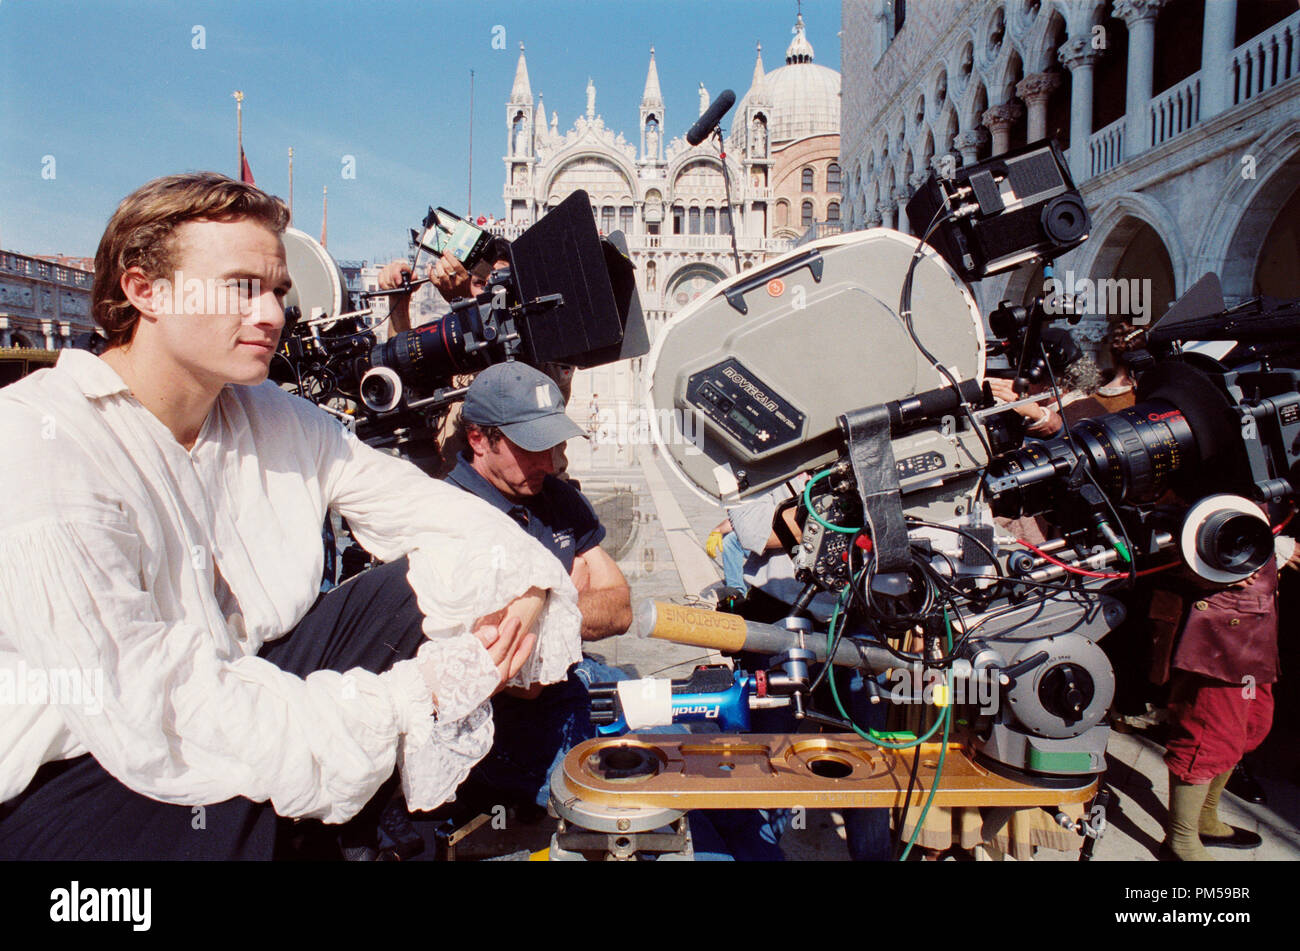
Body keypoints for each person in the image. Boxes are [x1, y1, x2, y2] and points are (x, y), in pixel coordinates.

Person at [0, 173, 581, 859]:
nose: (273, 313)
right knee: (231, 771)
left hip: (240, 697)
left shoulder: (272, 416)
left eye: (277, 289)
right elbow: (152, 706)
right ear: (143, 290)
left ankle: (356, 828)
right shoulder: (43, 439)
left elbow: (434, 512)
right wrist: (403, 700)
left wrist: (530, 588)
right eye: (241, 287)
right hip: (88, 779)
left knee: (419, 586)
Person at [438, 361, 632, 812]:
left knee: (705, 762)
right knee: (647, 800)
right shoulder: (450, 516)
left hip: (581, 680)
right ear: (479, 440)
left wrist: (542, 600)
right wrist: (571, 587)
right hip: (505, 729)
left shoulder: (555, 495)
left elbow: (620, 606)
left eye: (556, 445)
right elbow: (519, 680)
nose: (553, 462)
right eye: (532, 448)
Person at [1150, 529, 1299, 861]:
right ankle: (1181, 840)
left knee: (1251, 726)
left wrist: (1273, 546)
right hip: (1217, 633)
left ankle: (1204, 816)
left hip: (1254, 631)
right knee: (1208, 737)